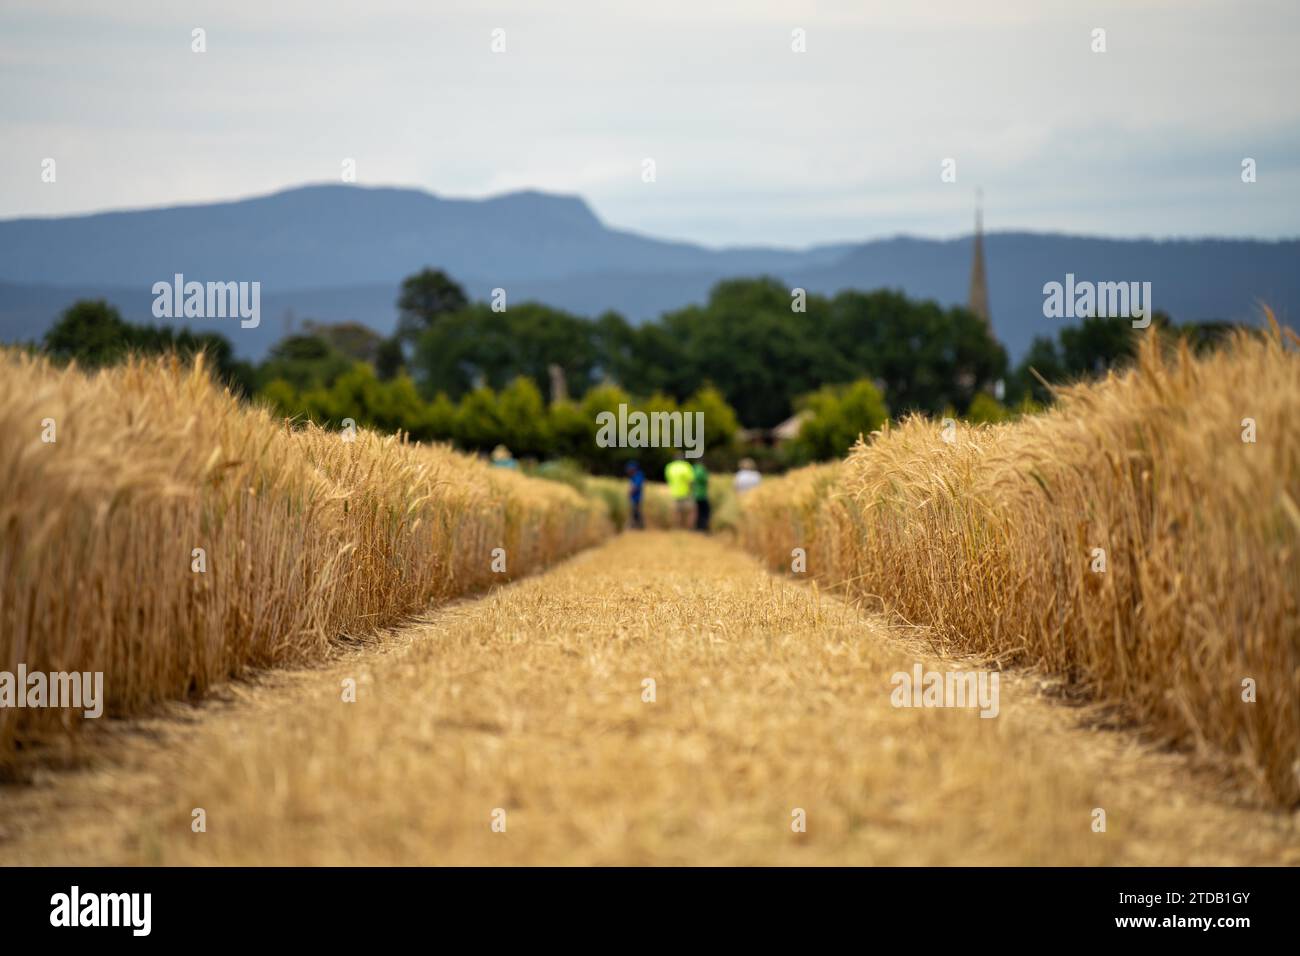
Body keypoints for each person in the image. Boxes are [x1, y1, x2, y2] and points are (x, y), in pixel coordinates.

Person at [664, 454, 694, 529]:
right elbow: (690, 481)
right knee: (690, 510)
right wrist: (691, 490)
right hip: (686, 492)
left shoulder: (669, 467)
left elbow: (668, 479)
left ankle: (677, 527)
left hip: (674, 492)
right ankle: (688, 528)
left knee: (676, 511)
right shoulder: (686, 466)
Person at [691, 459, 711, 532]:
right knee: (705, 511)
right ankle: (703, 527)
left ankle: (697, 527)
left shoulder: (693, 469)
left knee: (697, 511)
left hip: (695, 494)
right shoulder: (701, 470)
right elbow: (706, 481)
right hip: (702, 494)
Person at [625, 460, 645, 530]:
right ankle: (637, 527)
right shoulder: (634, 476)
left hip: (637, 498)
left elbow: (636, 487)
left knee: (635, 513)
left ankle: (637, 527)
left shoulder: (638, 475)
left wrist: (629, 492)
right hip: (634, 498)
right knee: (635, 513)